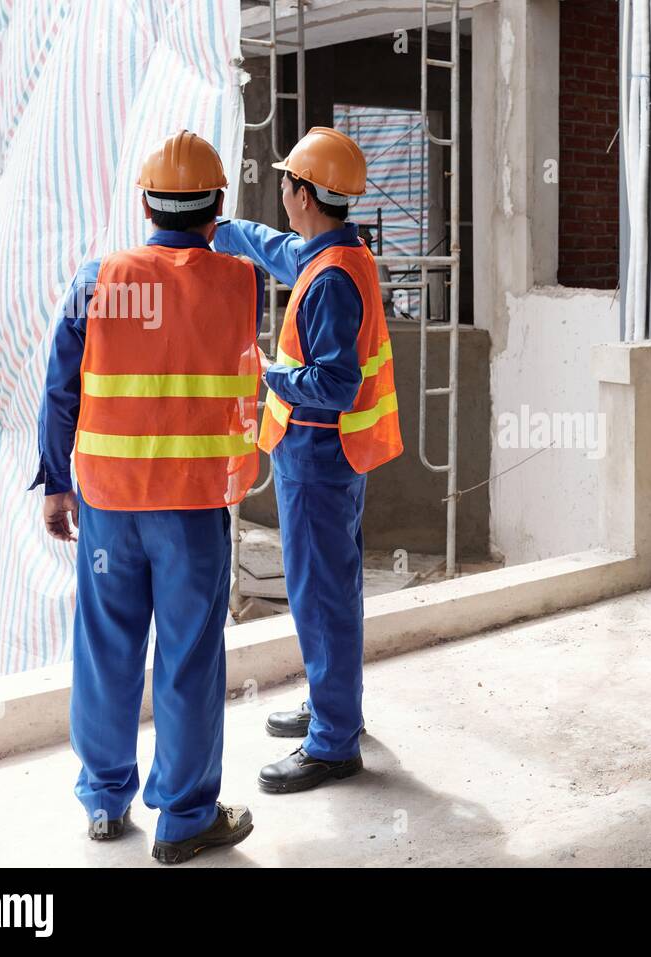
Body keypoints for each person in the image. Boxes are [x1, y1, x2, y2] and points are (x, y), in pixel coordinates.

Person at [32, 130, 262, 863]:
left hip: (108, 501)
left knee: (107, 648)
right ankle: (185, 816)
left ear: (144, 202)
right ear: (217, 207)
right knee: (189, 656)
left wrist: (54, 483)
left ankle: (104, 800)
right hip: (192, 506)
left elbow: (59, 387)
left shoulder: (98, 278)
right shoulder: (237, 282)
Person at [213, 126, 403, 794]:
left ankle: (332, 743)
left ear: (301, 193)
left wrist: (271, 373)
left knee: (319, 592)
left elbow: (335, 382)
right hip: (331, 454)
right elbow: (284, 250)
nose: (282, 194)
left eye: (286, 183)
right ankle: (334, 708)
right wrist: (228, 230)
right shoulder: (341, 252)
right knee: (331, 587)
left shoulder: (329, 284)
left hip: (319, 452)